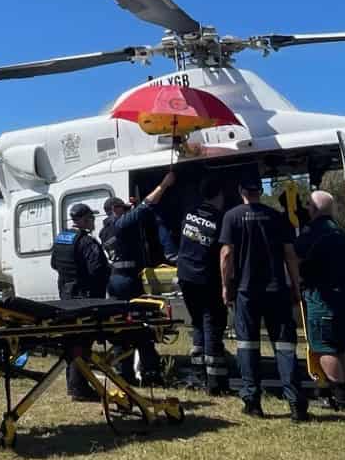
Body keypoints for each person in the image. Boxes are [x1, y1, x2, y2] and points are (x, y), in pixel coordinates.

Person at [220, 170, 309, 421]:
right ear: (260, 191)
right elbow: (290, 255)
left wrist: (225, 286)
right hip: (276, 290)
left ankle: (253, 401)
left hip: (246, 291)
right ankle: (295, 402)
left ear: (241, 192)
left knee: (247, 345)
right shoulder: (277, 218)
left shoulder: (232, 217)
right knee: (284, 346)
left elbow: (226, 255)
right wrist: (295, 284)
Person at [105, 170, 178, 384]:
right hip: (127, 282)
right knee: (140, 328)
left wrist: (130, 208)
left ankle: (124, 373)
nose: (125, 210)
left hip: (115, 281)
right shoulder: (120, 224)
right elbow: (147, 205)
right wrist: (164, 185)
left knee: (121, 329)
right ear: (113, 210)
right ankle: (150, 373)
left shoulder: (106, 228)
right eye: (121, 208)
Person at [295, 189, 345, 410]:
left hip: (324, 297)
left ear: (313, 210)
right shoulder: (343, 232)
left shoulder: (313, 233)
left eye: (307, 206)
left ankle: (339, 395)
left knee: (324, 348)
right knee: (342, 348)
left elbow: (296, 257)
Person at [174, 176, 234, 395]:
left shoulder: (189, 214)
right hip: (206, 278)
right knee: (211, 324)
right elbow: (225, 254)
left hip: (186, 276)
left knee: (198, 323)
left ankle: (198, 375)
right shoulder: (221, 219)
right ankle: (215, 381)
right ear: (219, 195)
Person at [51, 200, 109, 400]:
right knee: (82, 342)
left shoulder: (61, 239)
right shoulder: (86, 242)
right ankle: (79, 388)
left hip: (66, 296)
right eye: (91, 218)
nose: (93, 221)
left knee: (70, 340)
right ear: (84, 220)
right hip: (84, 298)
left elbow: (54, 264)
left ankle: (73, 385)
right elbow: (97, 270)